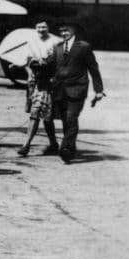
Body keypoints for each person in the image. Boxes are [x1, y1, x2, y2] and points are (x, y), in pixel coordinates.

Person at [51, 21, 105, 162]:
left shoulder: (84, 47)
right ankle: (71, 147)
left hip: (77, 89)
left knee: (71, 118)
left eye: (66, 30)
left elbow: (93, 69)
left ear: (73, 31)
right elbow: (50, 67)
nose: (63, 33)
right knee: (65, 121)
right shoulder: (57, 47)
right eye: (61, 31)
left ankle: (66, 149)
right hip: (59, 90)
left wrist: (98, 90)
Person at [17, 19, 60, 156]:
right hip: (35, 83)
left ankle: (27, 145)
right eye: (39, 27)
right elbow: (27, 62)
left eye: (44, 27)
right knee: (41, 114)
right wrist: (30, 74)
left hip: (49, 83)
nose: (41, 30)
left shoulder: (55, 42)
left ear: (48, 28)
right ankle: (51, 144)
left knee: (43, 115)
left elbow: (59, 63)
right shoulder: (32, 42)